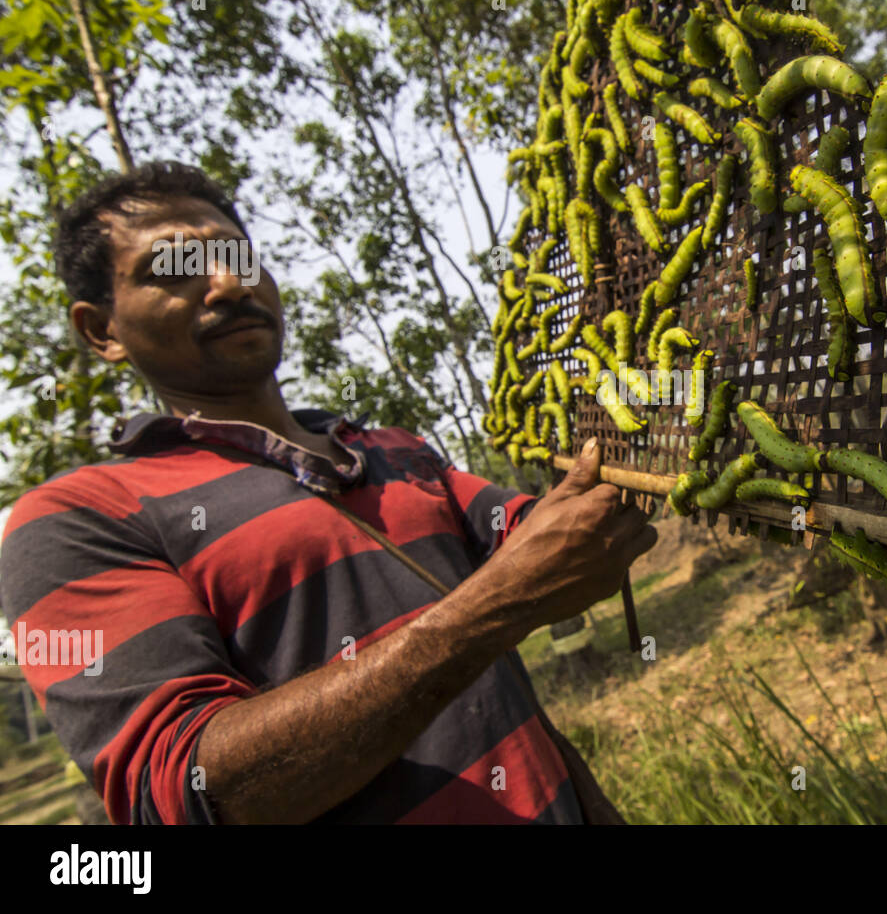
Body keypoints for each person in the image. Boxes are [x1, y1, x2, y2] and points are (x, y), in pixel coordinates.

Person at [0, 161, 656, 824]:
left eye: (236, 254)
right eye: (173, 268)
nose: (226, 282)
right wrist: (498, 606)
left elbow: (554, 533)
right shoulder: (76, 519)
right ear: (101, 330)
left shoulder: (392, 452)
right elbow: (186, 792)